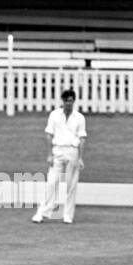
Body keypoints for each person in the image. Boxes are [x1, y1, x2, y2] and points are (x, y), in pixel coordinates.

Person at [32, 89, 87, 225]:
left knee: (71, 184)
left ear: (74, 101)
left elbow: (82, 139)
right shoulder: (55, 115)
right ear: (63, 101)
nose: (69, 103)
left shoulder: (79, 117)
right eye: (66, 101)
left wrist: (80, 157)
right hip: (58, 151)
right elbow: (49, 135)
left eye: (71, 101)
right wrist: (49, 154)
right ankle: (42, 213)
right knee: (51, 182)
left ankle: (68, 215)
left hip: (72, 151)